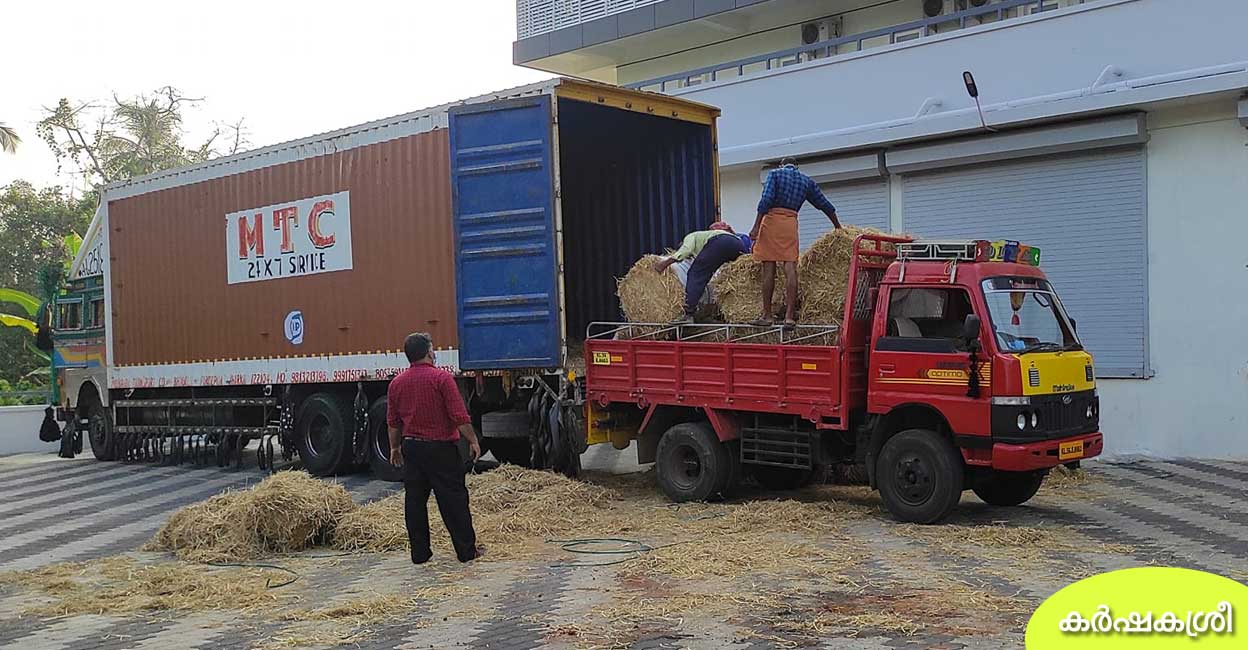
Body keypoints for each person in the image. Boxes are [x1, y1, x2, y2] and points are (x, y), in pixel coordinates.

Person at [387, 332, 484, 564]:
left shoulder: (397, 383)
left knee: (415, 502)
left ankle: (419, 554)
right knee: (453, 500)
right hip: (441, 449)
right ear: (429, 352)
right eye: (432, 348)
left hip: (412, 448)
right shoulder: (442, 379)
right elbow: (459, 416)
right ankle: (465, 551)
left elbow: (393, 422)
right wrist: (472, 440)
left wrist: (394, 448)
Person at [749, 158, 841, 328]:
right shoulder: (806, 181)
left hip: (772, 222)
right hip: (790, 223)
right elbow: (825, 205)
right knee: (790, 266)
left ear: (782, 165)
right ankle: (790, 317)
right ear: (797, 167)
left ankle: (767, 315)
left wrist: (755, 227)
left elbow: (766, 200)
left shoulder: (775, 174)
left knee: (768, 266)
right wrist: (838, 227)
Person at [653, 222, 751, 324]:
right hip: (739, 245)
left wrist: (665, 264)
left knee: (695, 273)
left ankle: (688, 314)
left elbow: (685, 251)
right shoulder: (710, 239)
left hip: (720, 242)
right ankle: (741, 313)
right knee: (738, 276)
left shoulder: (691, 236)